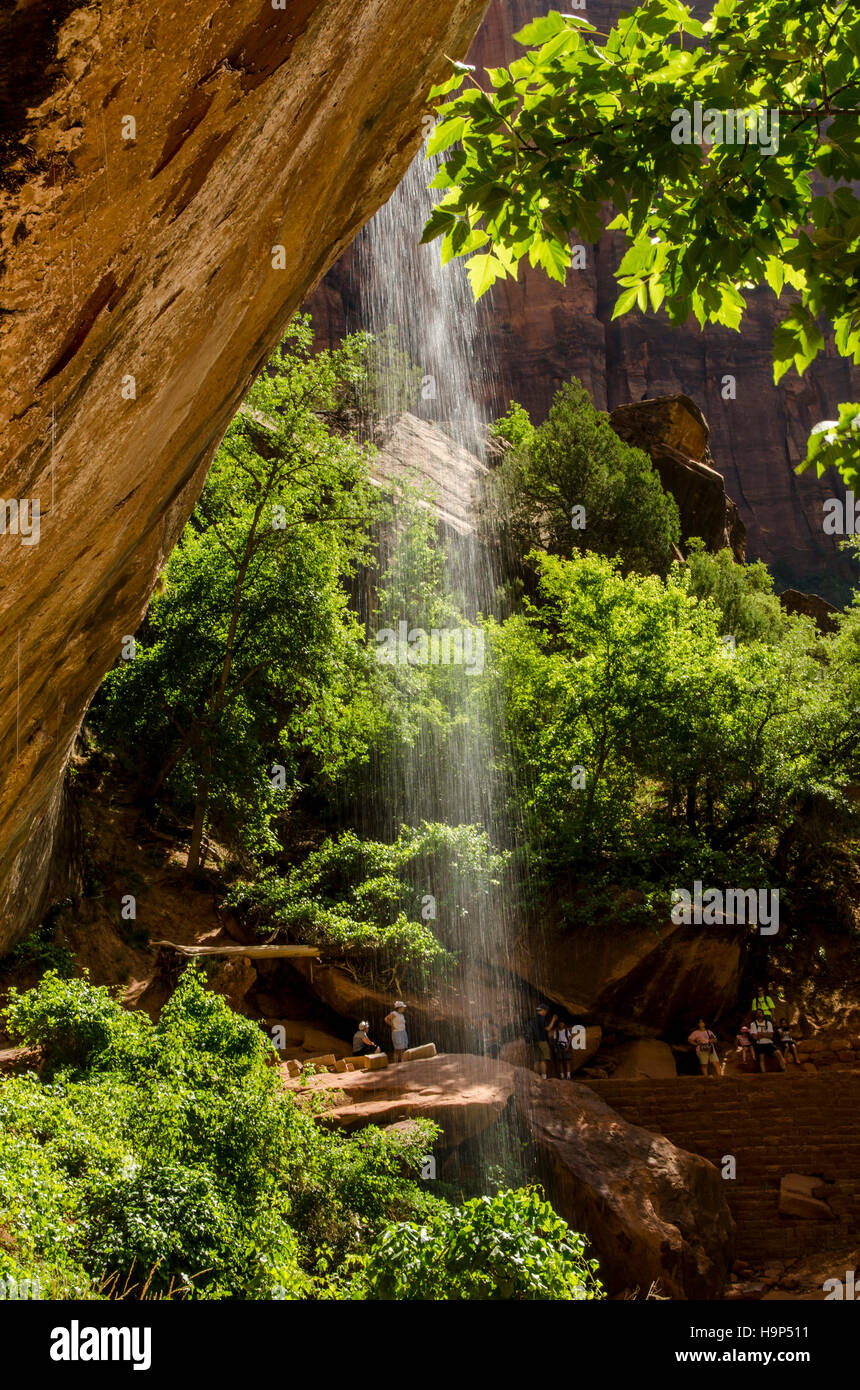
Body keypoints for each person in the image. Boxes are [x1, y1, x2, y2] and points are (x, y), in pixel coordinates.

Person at [525, 1004, 553, 1078]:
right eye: (546, 1011)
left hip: (534, 1041)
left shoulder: (532, 1019)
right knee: (543, 1060)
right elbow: (548, 1028)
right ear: (543, 1010)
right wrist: (553, 1020)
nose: (546, 1013)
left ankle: (536, 1077)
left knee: (536, 1061)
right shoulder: (541, 1018)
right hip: (542, 1041)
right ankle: (544, 1077)